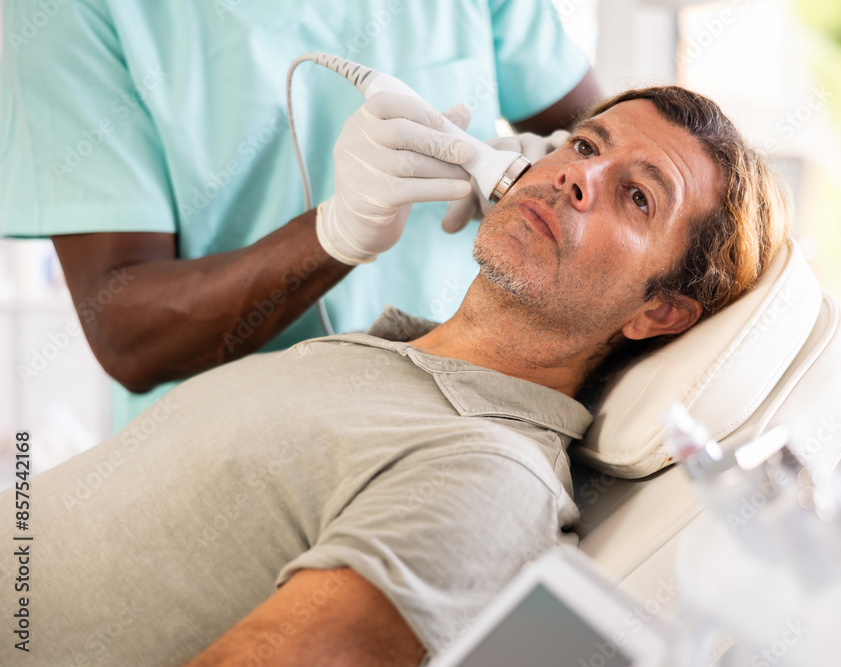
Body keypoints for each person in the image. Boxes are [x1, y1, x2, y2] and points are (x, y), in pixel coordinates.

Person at [0, 84, 789, 666]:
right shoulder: (391, 360)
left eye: (639, 196)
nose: (576, 175)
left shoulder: (488, 475)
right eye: (584, 144)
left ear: (660, 312)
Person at [0, 0, 601, 431]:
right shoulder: (68, 14)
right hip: (231, 452)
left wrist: (556, 157)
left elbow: (611, 132)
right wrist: (331, 234)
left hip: (471, 409)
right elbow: (123, 330)